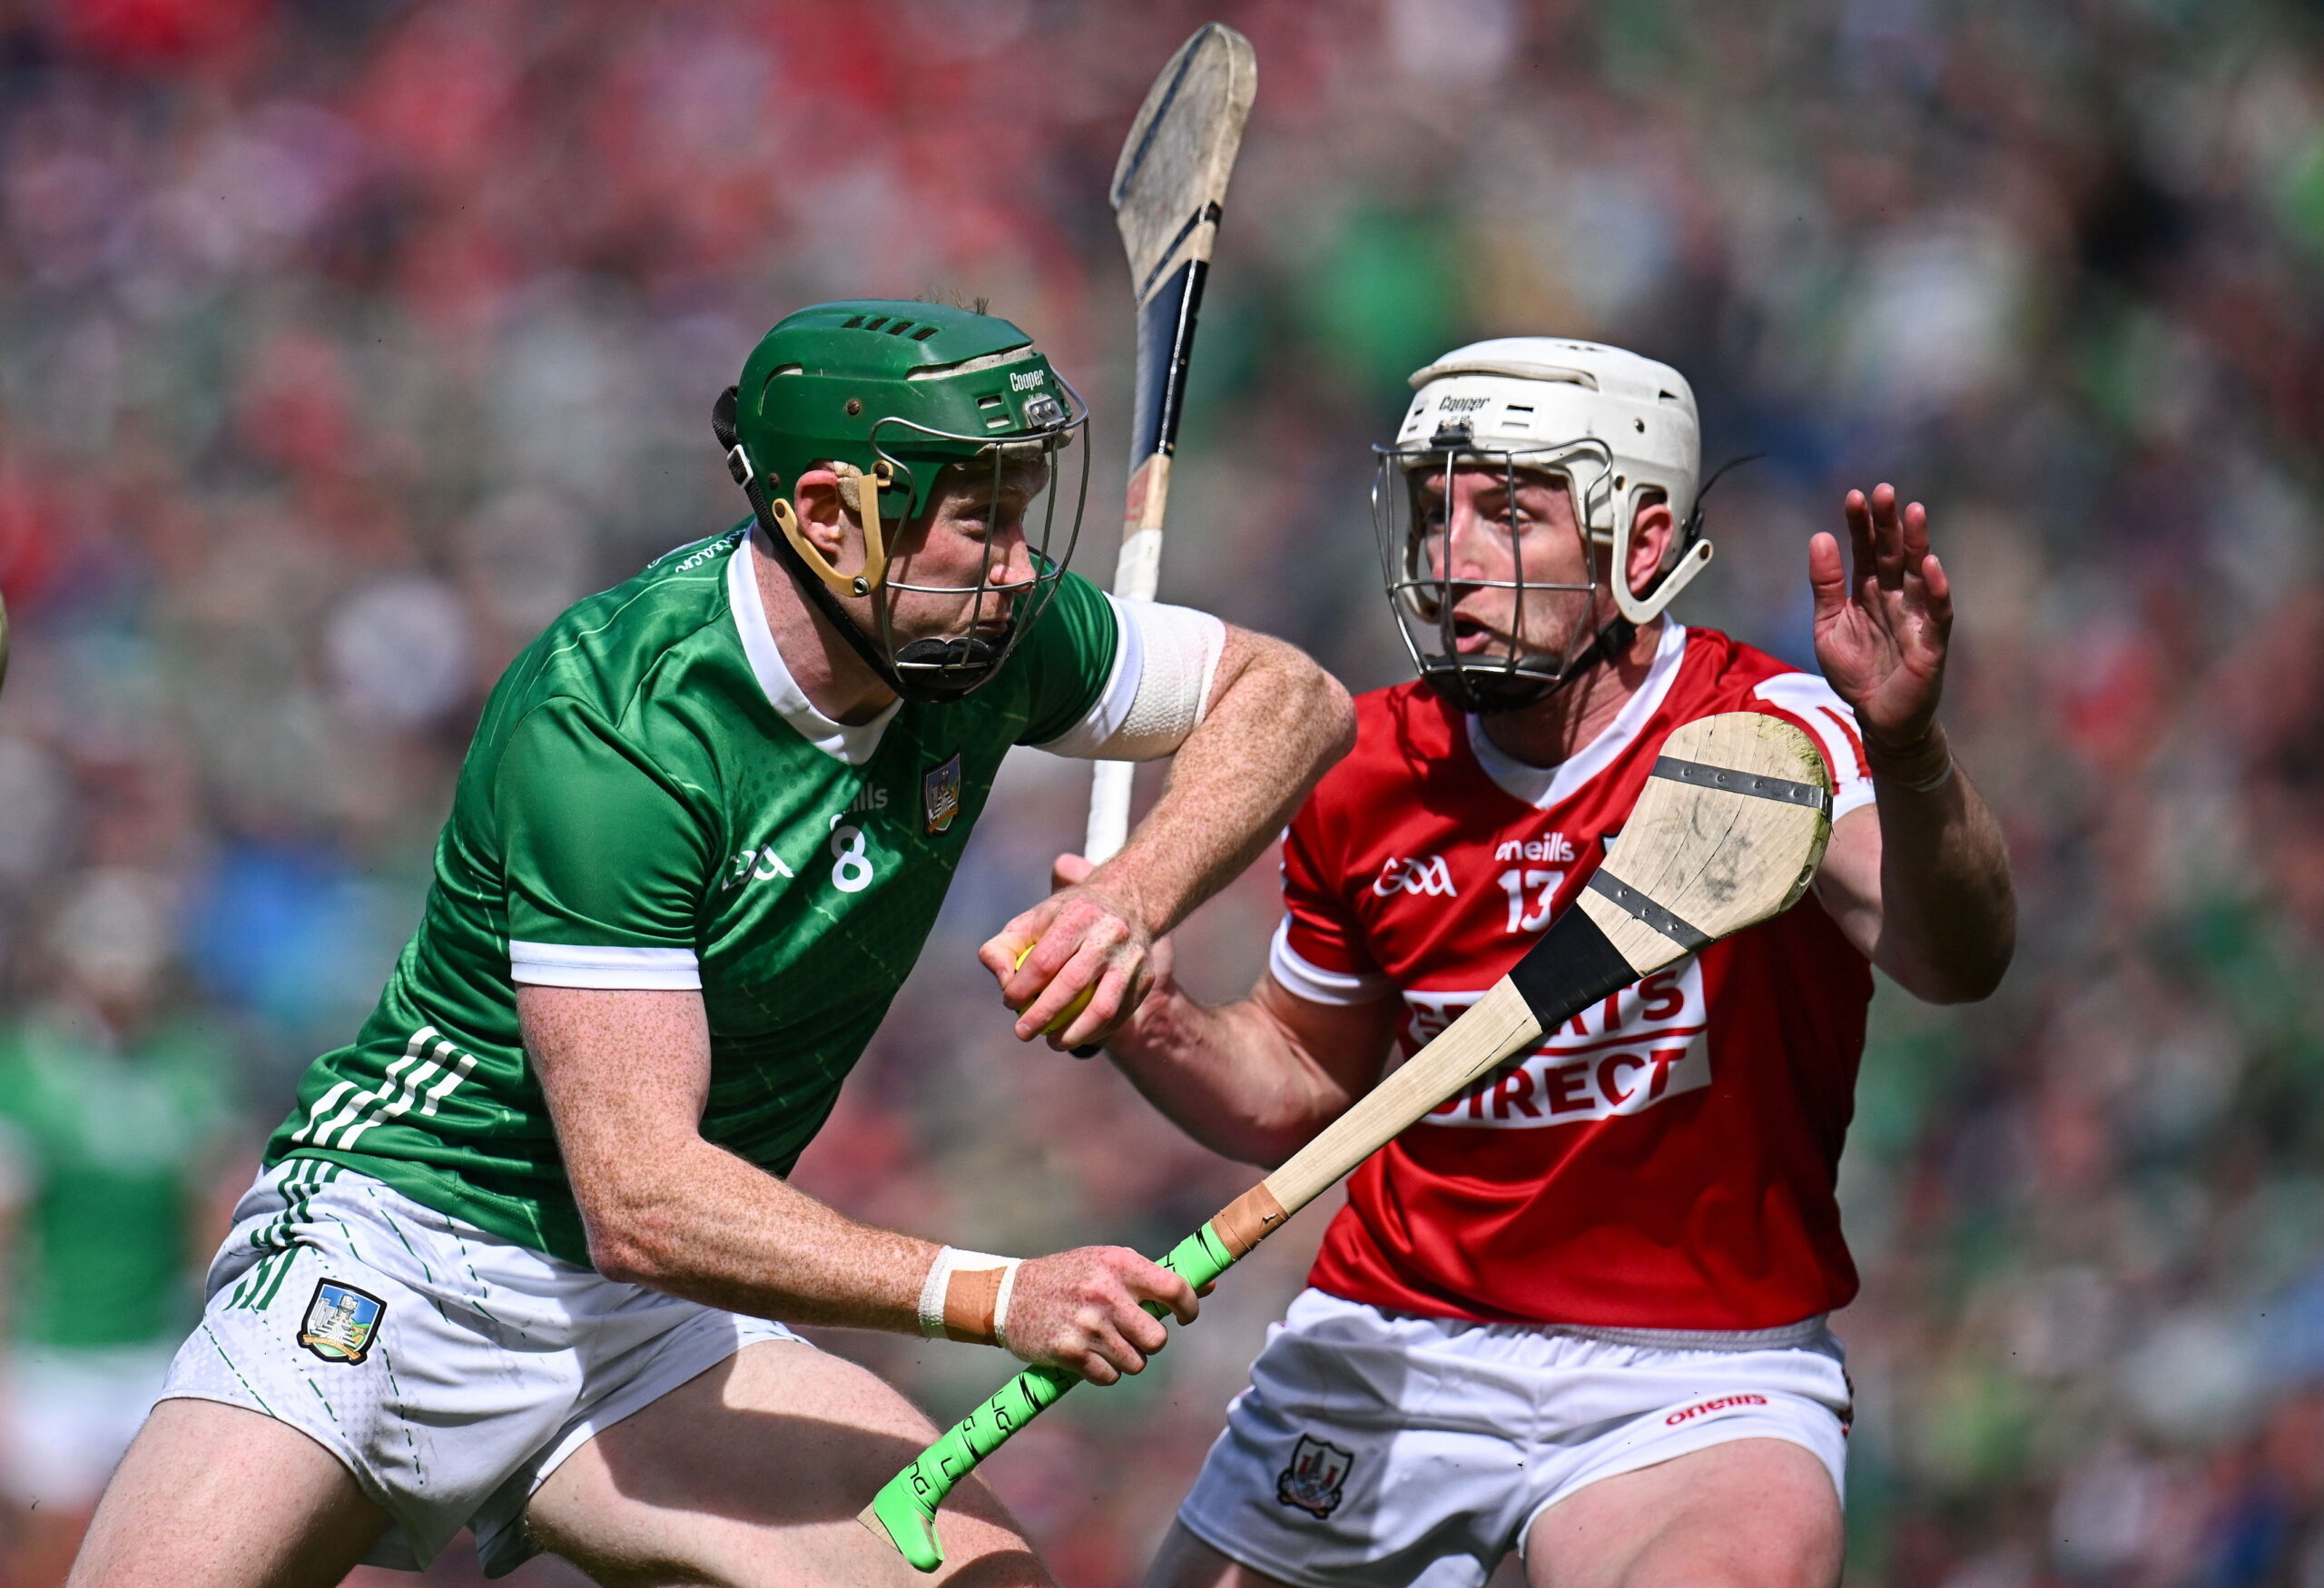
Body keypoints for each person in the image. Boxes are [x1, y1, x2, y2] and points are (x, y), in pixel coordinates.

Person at [66, 300, 1354, 1587]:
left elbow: (1290, 697)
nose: (1020, 567)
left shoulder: (983, 637)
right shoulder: (623, 722)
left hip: (647, 1332)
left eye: (1022, 517)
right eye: (980, 521)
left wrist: (1131, 893)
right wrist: (997, 1294)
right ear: (829, 517)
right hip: (405, 1249)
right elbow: (641, 1195)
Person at [1093, 338, 2015, 1588]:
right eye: (1434, 510)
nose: (1450, 554)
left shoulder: (1763, 736)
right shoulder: (1362, 767)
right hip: (1395, 1341)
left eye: (1508, 512)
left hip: (1699, 1380)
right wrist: (1145, 1014)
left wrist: (1909, 758)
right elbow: (1304, 1090)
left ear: (1639, 547)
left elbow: (1952, 956)